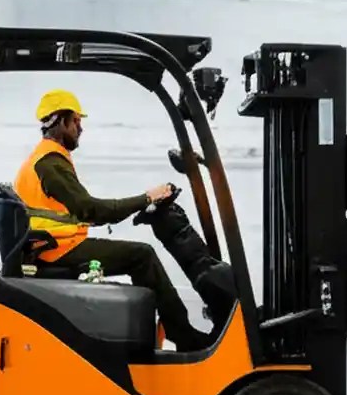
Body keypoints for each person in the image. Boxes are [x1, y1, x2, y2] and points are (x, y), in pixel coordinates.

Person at [13, 89, 207, 352]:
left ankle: (172, 332)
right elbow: (92, 210)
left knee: (138, 254)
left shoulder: (45, 159)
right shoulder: (50, 164)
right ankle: (183, 335)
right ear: (60, 121)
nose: (80, 129)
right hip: (56, 251)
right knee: (142, 256)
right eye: (76, 122)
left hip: (54, 246)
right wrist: (147, 197)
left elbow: (79, 211)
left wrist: (141, 204)